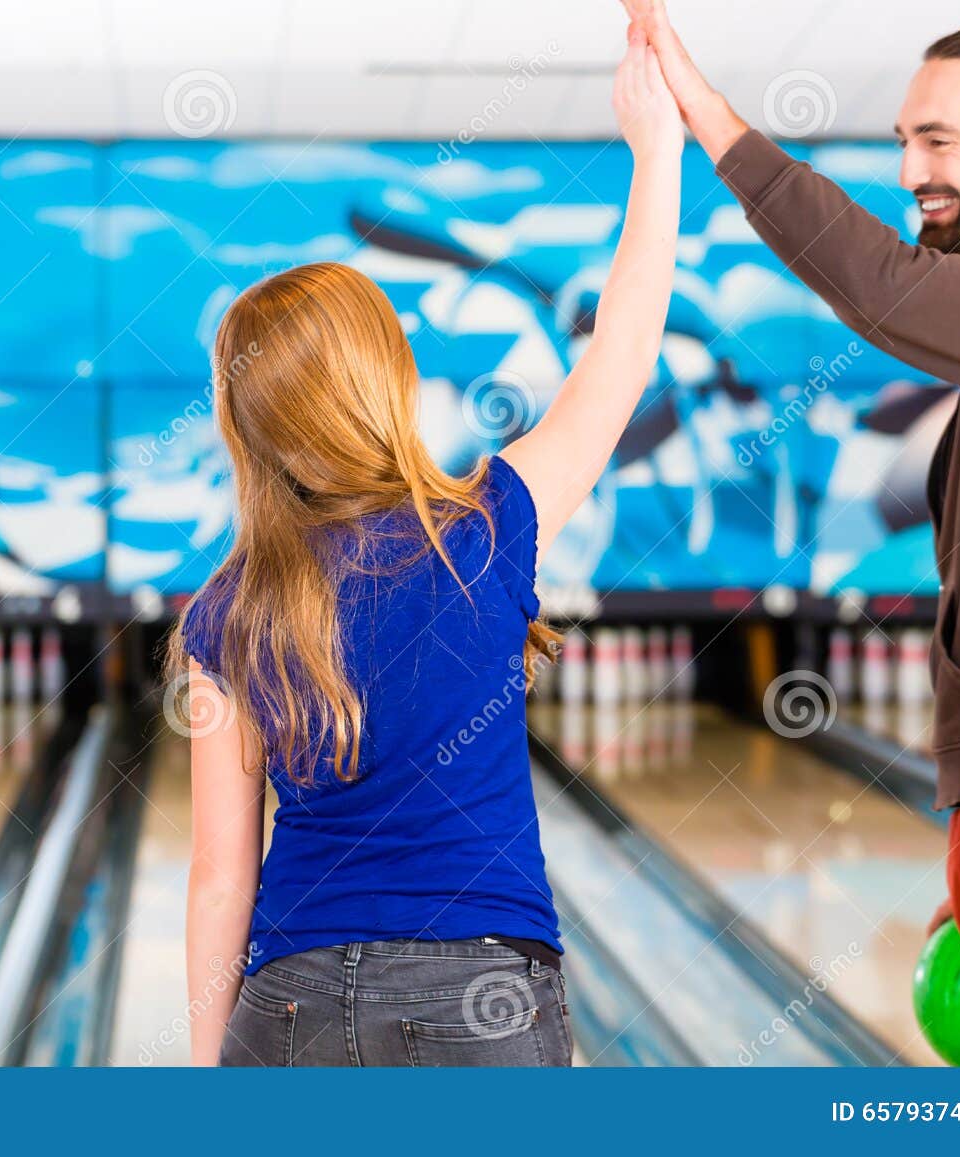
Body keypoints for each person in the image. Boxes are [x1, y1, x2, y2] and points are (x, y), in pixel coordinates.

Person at [626, 0, 960, 1064]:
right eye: (903, 138)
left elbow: (883, 288)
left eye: (938, 138)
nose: (907, 165)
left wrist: (709, 121)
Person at [166, 23, 681, 1067]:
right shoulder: (484, 530)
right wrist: (657, 150)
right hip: (477, 999)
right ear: (383, 383)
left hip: (289, 1007)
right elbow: (621, 355)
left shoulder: (226, 609)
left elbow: (221, 873)